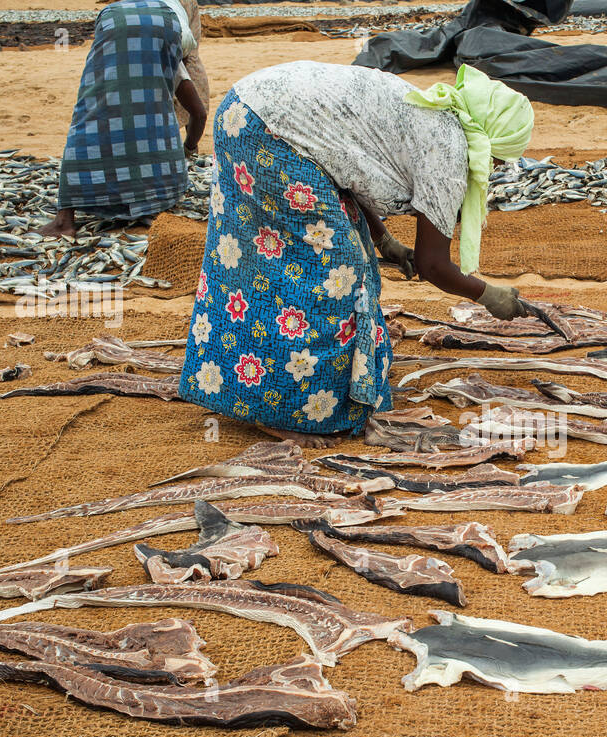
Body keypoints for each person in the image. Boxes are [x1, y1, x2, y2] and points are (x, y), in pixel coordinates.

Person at [178, 61, 537, 445]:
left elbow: (348, 168)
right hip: (269, 131)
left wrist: (383, 241)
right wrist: (488, 296)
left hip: (247, 110)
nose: (496, 167)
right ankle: (286, 408)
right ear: (491, 141)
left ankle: (261, 382)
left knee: (317, 256)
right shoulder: (449, 149)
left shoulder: (437, 115)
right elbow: (434, 264)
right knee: (336, 275)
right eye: (500, 158)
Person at [40, 0, 208, 237]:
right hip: (161, 196)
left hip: (118, 21)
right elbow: (199, 114)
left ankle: (64, 221)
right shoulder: (168, 58)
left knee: (86, 120)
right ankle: (146, 202)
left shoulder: (109, 66)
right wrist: (188, 149)